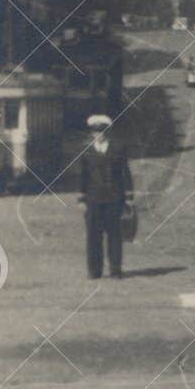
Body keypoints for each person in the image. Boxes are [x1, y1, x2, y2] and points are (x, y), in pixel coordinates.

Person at [78, 114, 133, 279]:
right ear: (92, 134)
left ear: (107, 132)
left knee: (115, 235)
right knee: (93, 236)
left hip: (114, 198)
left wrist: (129, 196)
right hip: (93, 199)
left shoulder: (118, 148)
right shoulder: (86, 149)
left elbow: (125, 172)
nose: (99, 135)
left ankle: (115, 269)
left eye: (102, 131)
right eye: (96, 132)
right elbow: (83, 175)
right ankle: (94, 271)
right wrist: (81, 199)